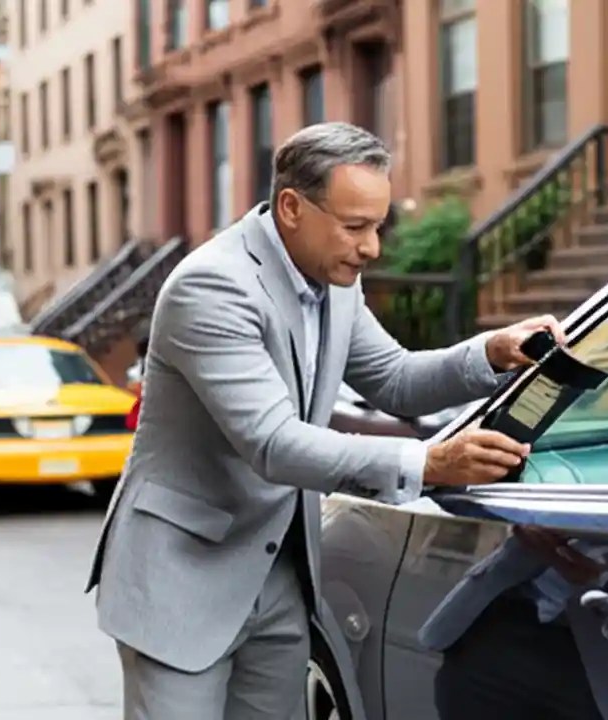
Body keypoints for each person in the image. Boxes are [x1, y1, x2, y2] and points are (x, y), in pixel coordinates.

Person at [85, 121, 567, 720]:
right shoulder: (211, 287)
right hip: (183, 575)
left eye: (378, 226)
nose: (372, 248)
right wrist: (428, 463)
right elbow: (273, 443)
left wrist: (490, 350)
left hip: (281, 577)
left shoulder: (336, 280)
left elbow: (394, 377)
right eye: (355, 226)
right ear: (291, 207)